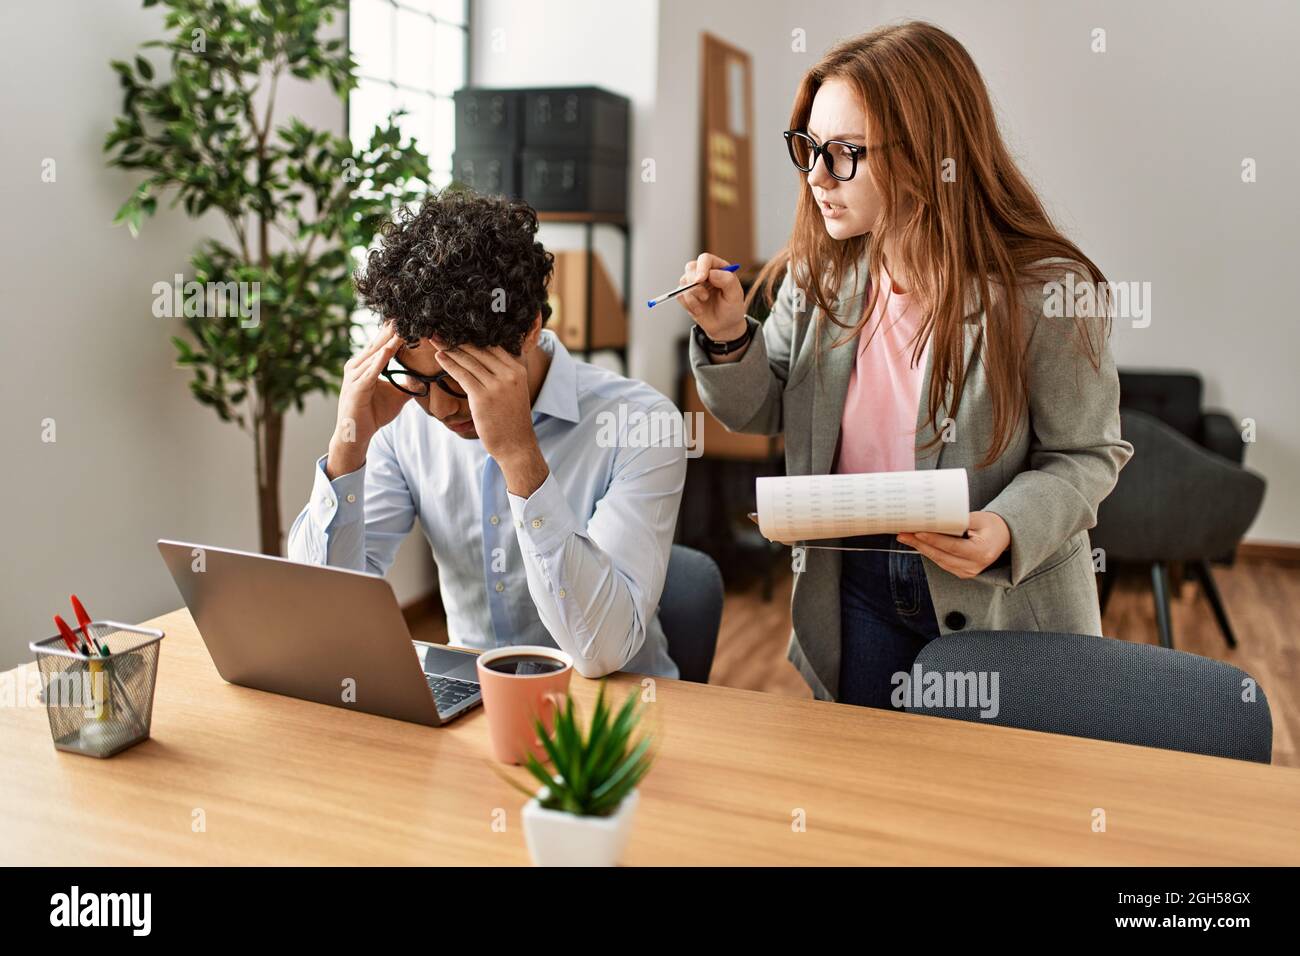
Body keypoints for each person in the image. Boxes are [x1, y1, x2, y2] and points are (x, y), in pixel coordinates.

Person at [680, 22, 1133, 707]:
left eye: (844, 154)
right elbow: (760, 404)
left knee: (994, 800)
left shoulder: (1045, 290)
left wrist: (1009, 527)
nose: (816, 177)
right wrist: (725, 335)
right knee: (875, 792)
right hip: (855, 579)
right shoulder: (819, 274)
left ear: (928, 154)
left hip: (998, 596)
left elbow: (1087, 455)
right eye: (808, 149)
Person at [288, 189, 683, 678]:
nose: (440, 408)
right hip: (469, 700)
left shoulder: (641, 424)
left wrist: (520, 457)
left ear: (529, 328)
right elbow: (326, 616)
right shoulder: (401, 418)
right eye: (421, 381)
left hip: (614, 710)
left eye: (459, 380)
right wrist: (348, 449)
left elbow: (601, 651)